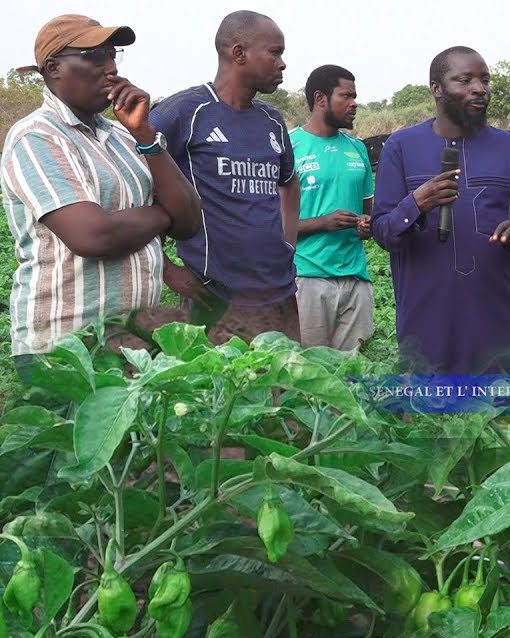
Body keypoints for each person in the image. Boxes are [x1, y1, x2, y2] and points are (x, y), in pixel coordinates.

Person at [1, 14, 202, 379]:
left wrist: (146, 136)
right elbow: (94, 237)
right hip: (65, 349)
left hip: (134, 343)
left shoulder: (126, 138)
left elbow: (188, 220)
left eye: (111, 54)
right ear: (54, 68)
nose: (111, 68)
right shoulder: (37, 137)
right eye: (94, 56)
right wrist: (163, 215)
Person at [371, 46, 510, 375]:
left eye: (484, 80)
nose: (479, 88)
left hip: (503, 329)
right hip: (427, 333)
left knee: (508, 406)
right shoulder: (401, 148)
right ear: (437, 89)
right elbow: (382, 230)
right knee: (432, 406)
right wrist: (416, 204)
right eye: (465, 80)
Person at [149, 10, 301, 344]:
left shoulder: (272, 121)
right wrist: (166, 269)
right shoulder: (182, 113)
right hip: (214, 294)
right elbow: (135, 187)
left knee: (286, 375)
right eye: (275, 53)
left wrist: (287, 243)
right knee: (221, 377)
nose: (283, 64)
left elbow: (289, 183)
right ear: (239, 53)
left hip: (279, 289)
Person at [289, 65, 374, 351]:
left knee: (353, 370)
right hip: (306, 279)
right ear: (320, 98)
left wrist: (367, 225)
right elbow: (270, 226)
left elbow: (369, 212)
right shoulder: (289, 147)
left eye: (355, 96)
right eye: (346, 96)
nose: (354, 104)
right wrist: (323, 222)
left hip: (356, 280)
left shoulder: (357, 149)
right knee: (308, 369)